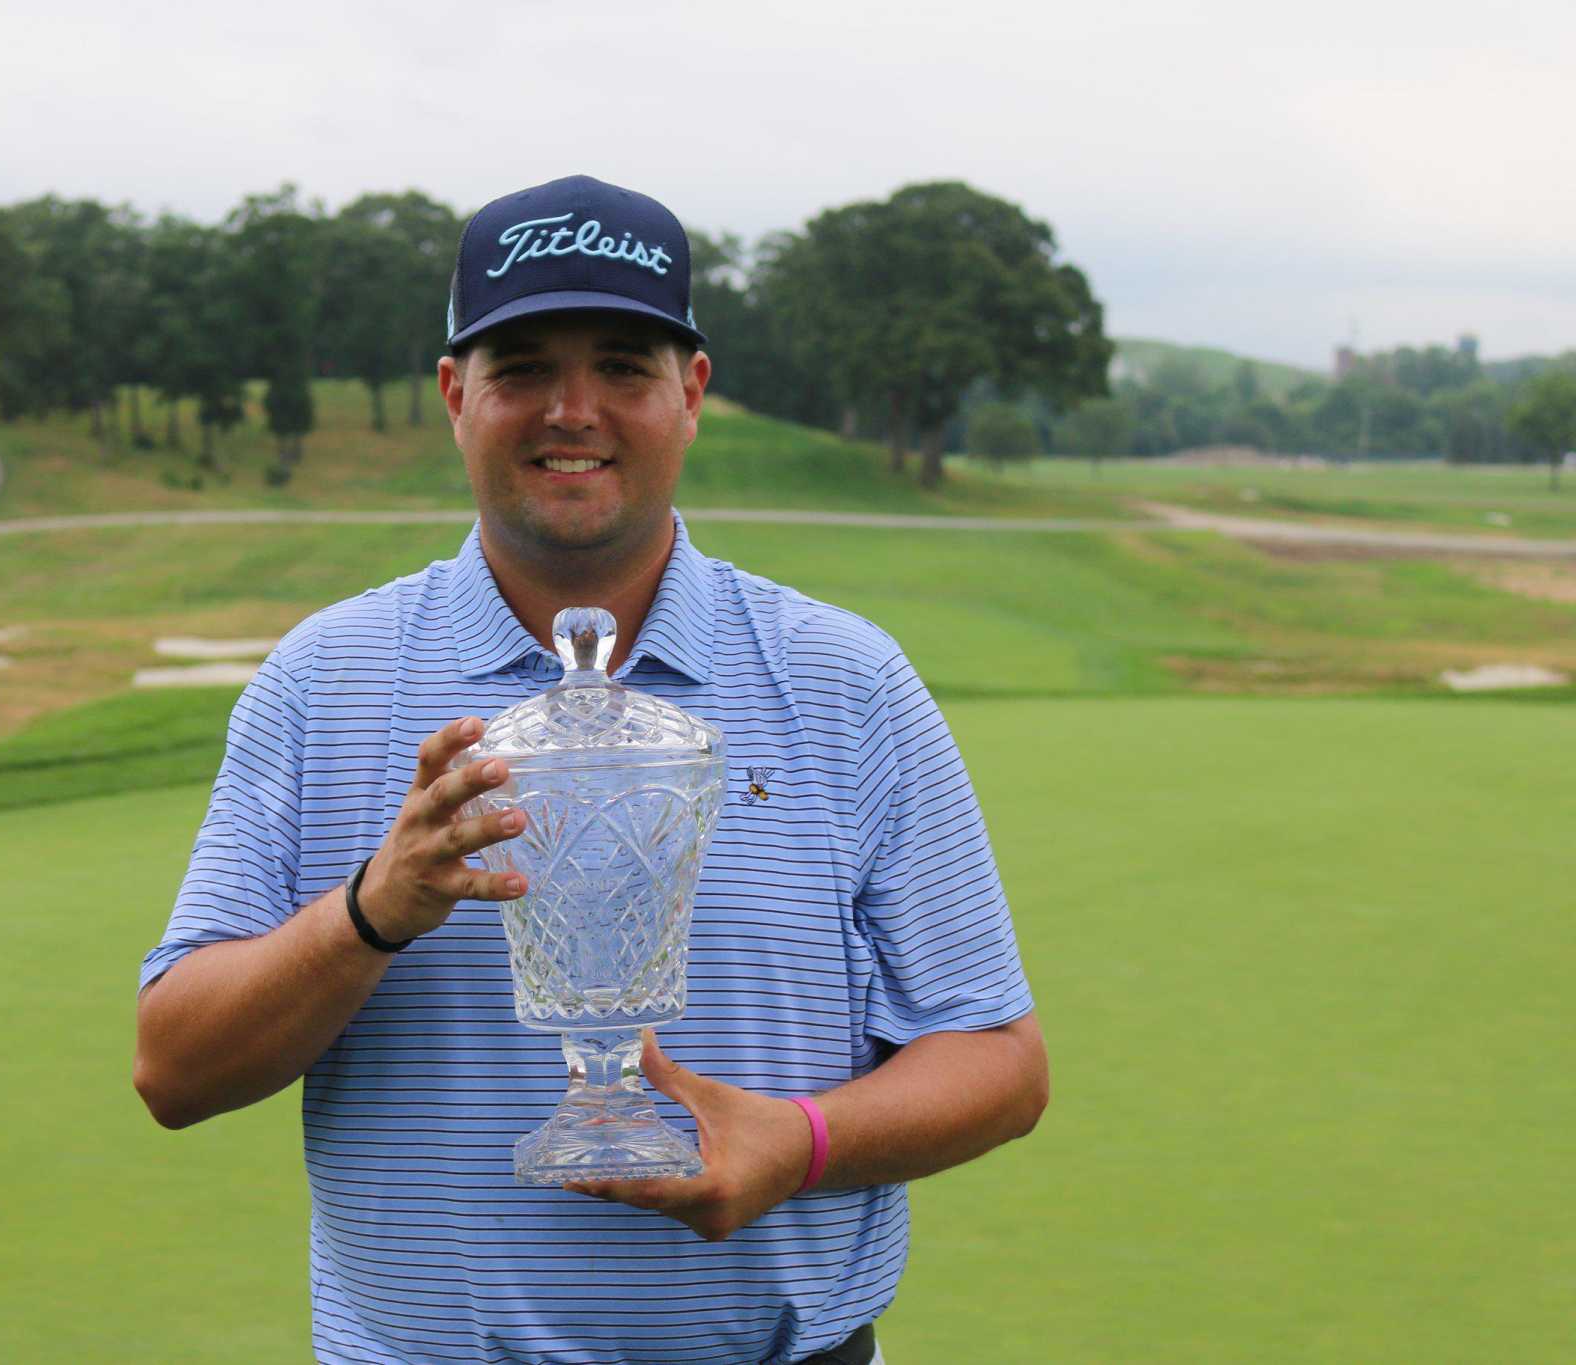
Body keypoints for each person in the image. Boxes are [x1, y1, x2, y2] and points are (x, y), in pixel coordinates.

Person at [134, 174, 1048, 1365]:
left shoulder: (845, 681)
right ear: (456, 394)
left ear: (692, 392)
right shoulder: (326, 681)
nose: (574, 410)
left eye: (623, 365)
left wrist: (801, 1142)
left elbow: (997, 1061)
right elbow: (174, 1068)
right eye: (521, 368)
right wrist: (371, 911)